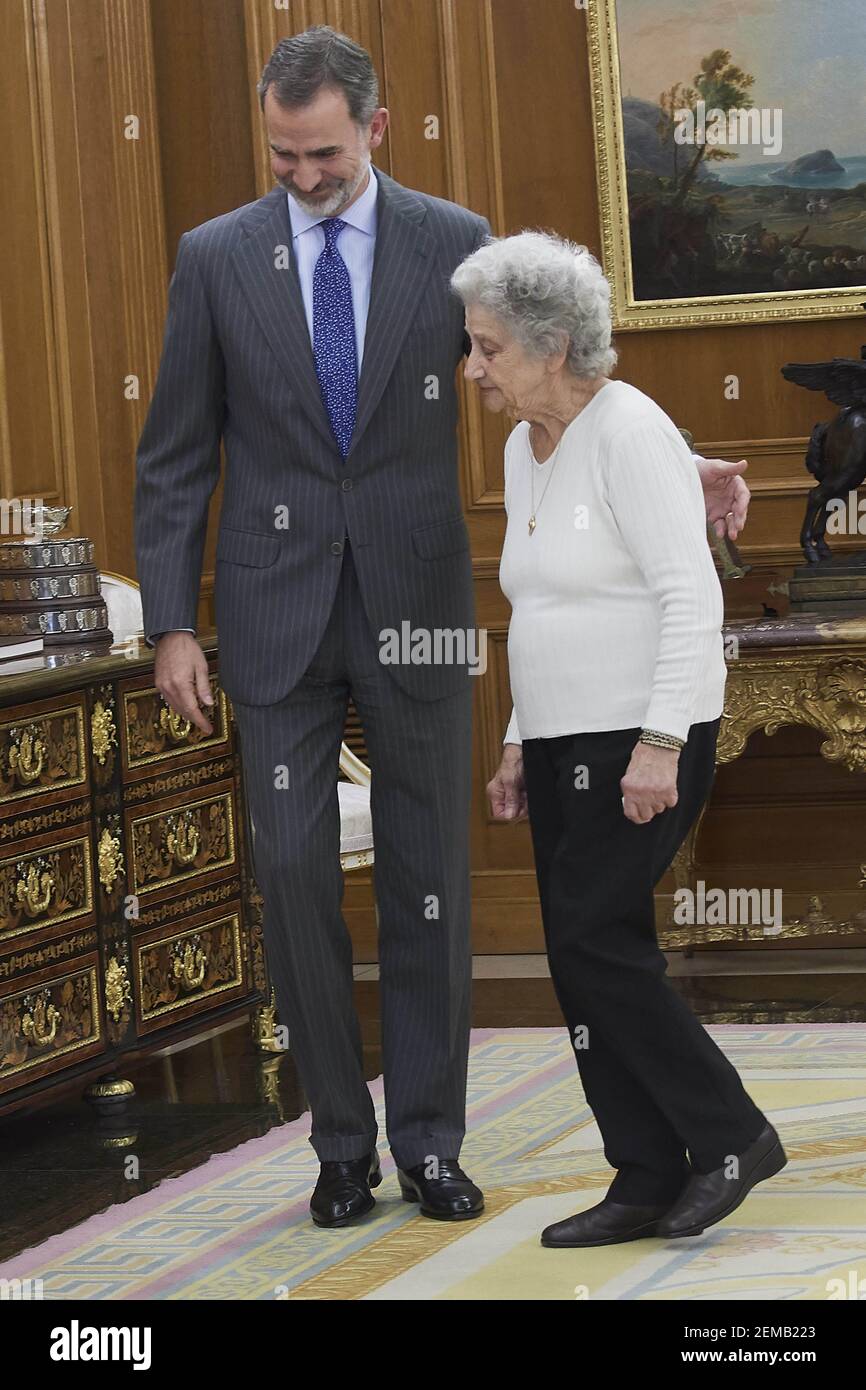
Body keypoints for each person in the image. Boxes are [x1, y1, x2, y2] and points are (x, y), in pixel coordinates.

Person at [134, 24, 752, 1233]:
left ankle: (428, 1140)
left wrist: (679, 466)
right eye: (280, 156)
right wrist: (169, 623)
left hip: (417, 610)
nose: (302, 177)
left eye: (320, 153)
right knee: (298, 871)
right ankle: (337, 1146)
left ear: (374, 128)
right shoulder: (213, 259)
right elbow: (171, 456)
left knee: (429, 880)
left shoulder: (454, 242)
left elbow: (558, 384)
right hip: (269, 614)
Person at [452, 230, 785, 1247]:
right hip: (560, 736)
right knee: (580, 950)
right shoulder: (521, 444)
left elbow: (687, 598)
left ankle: (729, 1138)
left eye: (487, 348)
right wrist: (515, 738)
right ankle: (641, 1171)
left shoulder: (630, 430)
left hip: (643, 727)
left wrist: (656, 744)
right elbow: (540, 603)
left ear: (551, 348)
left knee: (597, 942)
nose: (472, 371)